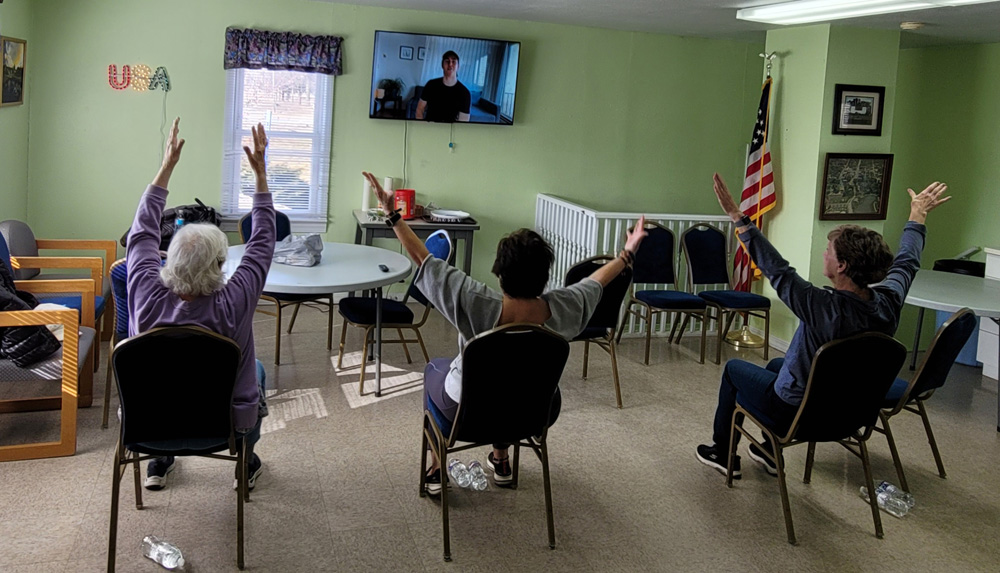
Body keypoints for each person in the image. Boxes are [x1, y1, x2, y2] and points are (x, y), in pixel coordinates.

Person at [362, 172, 647, 494]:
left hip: (466, 415)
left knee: (434, 370)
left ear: (498, 273)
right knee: (514, 381)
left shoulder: (474, 302)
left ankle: (438, 468)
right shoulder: (566, 306)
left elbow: (423, 259)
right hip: (535, 414)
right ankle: (501, 460)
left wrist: (392, 215)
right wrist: (627, 252)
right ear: (545, 276)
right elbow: (595, 281)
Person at [696, 173, 951, 479]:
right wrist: (916, 216)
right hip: (850, 415)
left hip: (798, 414)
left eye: (829, 250)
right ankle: (767, 451)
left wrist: (738, 217)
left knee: (734, 370)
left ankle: (723, 453)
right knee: (778, 363)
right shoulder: (889, 299)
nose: (824, 253)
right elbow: (908, 260)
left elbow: (777, 270)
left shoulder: (823, 308)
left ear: (841, 266)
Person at [127, 118, 275, 491]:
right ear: (220, 265)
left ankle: (159, 459)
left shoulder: (144, 290)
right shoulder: (235, 301)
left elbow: (142, 232)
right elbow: (262, 243)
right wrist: (260, 174)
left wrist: (167, 166)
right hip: (222, 427)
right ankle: (246, 458)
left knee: (160, 375)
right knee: (255, 370)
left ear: (168, 258)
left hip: (145, 425)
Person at [415, 51, 471, 123]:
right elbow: (419, 109)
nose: (450, 64)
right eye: (447, 61)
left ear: (458, 67)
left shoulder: (465, 93)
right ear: (442, 65)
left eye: (453, 62)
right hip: (430, 130)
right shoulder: (431, 85)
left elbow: (463, 123)